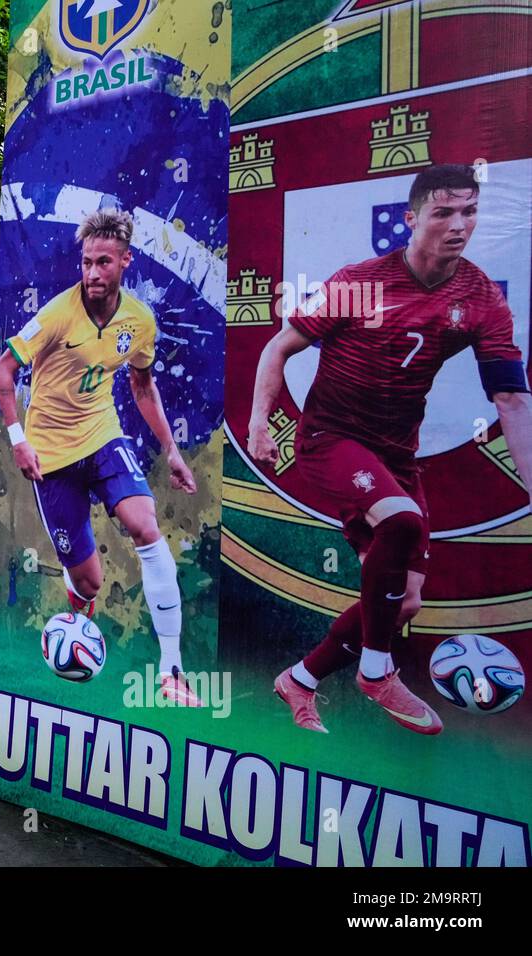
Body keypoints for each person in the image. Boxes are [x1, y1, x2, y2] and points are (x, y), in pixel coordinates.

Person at [251, 164, 531, 736]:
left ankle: (300, 680)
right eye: (444, 212)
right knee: (399, 522)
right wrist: (260, 423)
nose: (459, 225)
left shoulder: (480, 300)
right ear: (411, 219)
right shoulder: (359, 283)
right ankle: (376, 672)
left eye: (470, 212)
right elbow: (279, 349)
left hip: (397, 457)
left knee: (402, 602)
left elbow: (511, 400)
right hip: (331, 441)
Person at [0, 208, 202, 705]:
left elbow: (143, 385)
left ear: (125, 261)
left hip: (103, 435)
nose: (91, 273)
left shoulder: (139, 321)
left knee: (145, 526)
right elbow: (3, 374)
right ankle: (77, 617)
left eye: (103, 262)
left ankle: (172, 671)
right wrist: (20, 440)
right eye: (86, 262)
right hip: (51, 454)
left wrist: (171, 451)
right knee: (89, 581)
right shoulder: (59, 314)